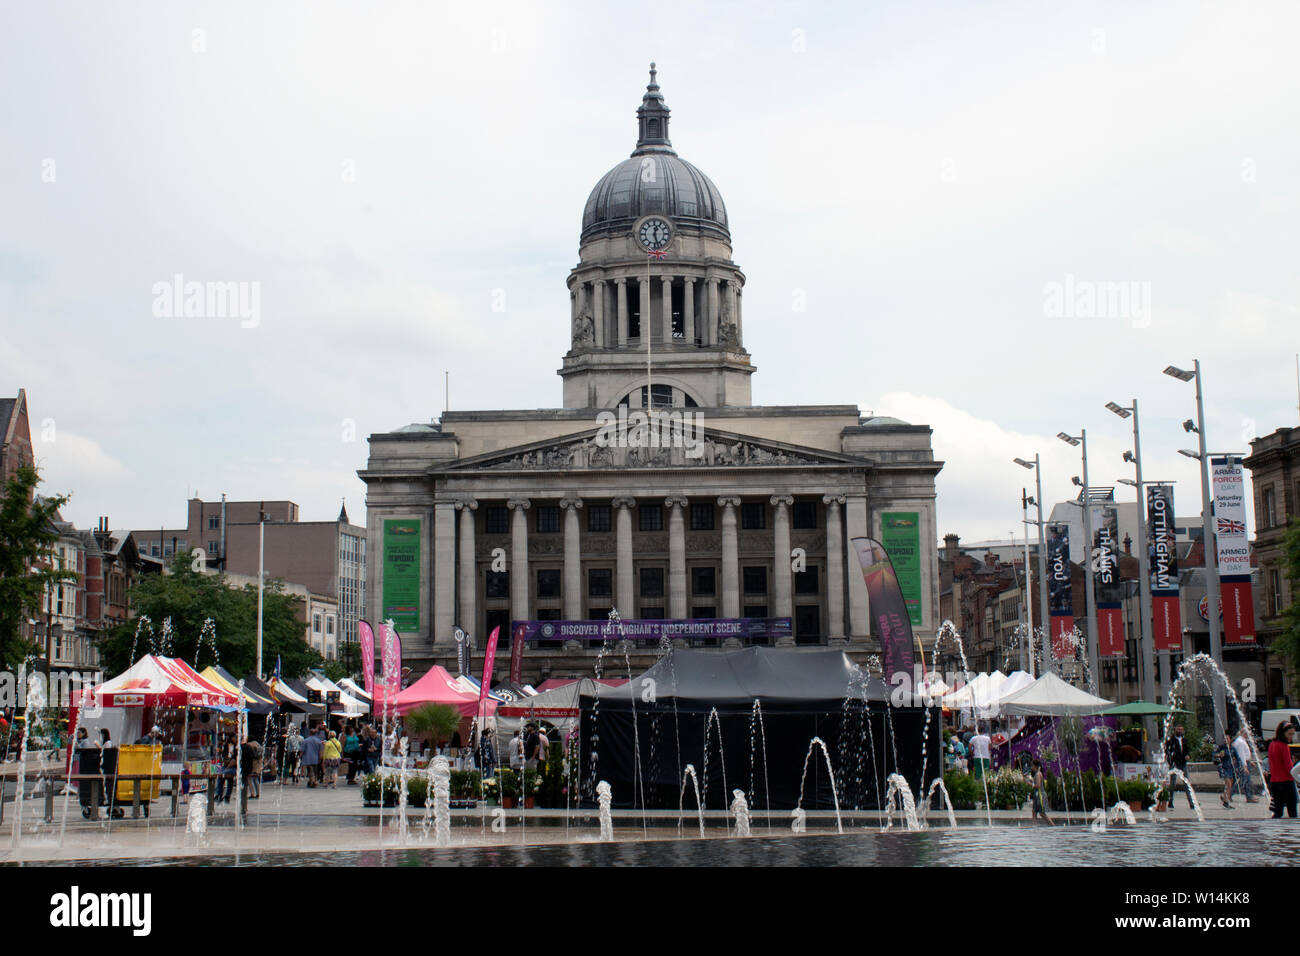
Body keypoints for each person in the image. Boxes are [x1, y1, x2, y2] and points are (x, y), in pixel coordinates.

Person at [1267, 722, 1297, 819]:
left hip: (1274, 782)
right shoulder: (1284, 747)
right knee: (1292, 811)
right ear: (1282, 733)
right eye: (1290, 734)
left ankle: (1275, 831)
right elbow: (1289, 768)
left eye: (1292, 734)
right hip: (1287, 782)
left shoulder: (1272, 744)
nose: (1291, 737)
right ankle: (1292, 832)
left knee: (1278, 811)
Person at [1163, 725, 1190, 809]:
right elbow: (1167, 751)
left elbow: (1187, 750)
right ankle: (1170, 800)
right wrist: (1171, 762)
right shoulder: (1171, 740)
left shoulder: (1185, 740)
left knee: (1186, 783)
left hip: (1183, 763)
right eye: (1178, 729)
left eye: (1181, 729)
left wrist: (1188, 755)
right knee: (1173, 783)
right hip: (1175, 763)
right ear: (1175, 730)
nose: (1180, 731)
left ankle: (1191, 802)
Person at [1231, 727, 1258, 803]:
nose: (1249, 736)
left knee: (1245, 781)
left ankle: (1249, 796)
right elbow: (1241, 755)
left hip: (1245, 762)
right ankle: (1229, 794)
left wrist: (1250, 762)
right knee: (1244, 780)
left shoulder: (1241, 741)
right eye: (1248, 734)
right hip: (1243, 764)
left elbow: (1244, 754)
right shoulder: (1240, 742)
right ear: (1244, 733)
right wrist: (1244, 766)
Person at [1214, 735, 1235, 809]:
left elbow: (1237, 757)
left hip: (1230, 768)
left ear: (1230, 740)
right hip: (1223, 768)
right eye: (1224, 739)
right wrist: (1218, 755)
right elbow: (1214, 755)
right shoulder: (1221, 748)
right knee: (1228, 783)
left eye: (1227, 739)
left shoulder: (1232, 748)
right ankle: (1226, 801)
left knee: (1230, 784)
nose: (1226, 740)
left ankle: (1226, 798)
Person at [1031, 758, 1054, 825]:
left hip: (1040, 795)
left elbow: (1038, 785)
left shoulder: (1038, 774)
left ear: (1035, 766)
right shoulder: (1037, 773)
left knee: (1042, 813)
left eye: (1032, 765)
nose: (1031, 767)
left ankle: (1053, 826)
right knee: (1034, 811)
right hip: (1037, 795)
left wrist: (1031, 785)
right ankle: (1034, 826)